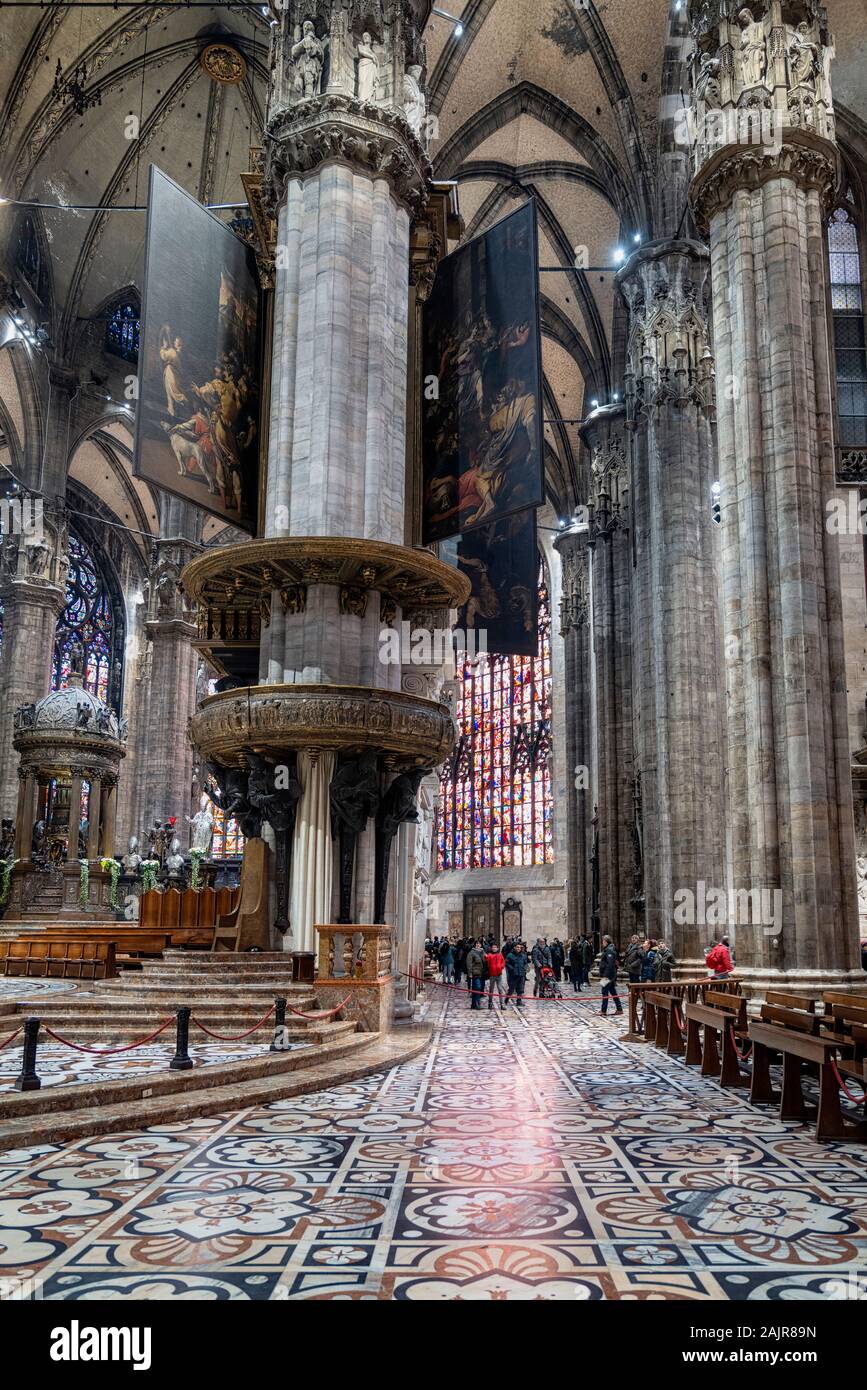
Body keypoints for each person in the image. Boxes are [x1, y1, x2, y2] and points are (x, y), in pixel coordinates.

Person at [598, 934, 623, 1016]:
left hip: (608, 975)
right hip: (608, 975)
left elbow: (610, 964)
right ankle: (619, 1009)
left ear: (606, 941)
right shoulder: (607, 949)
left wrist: (605, 975)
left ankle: (603, 1010)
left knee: (604, 991)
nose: (602, 943)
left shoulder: (610, 950)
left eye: (603, 941)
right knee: (613, 991)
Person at [505, 940, 529, 1008]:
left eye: (519, 947)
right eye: (517, 947)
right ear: (514, 948)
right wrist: (511, 969)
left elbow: (525, 963)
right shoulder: (510, 955)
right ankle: (506, 999)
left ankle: (519, 1001)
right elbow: (507, 963)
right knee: (511, 989)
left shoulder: (523, 955)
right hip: (513, 975)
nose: (518, 948)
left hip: (521, 974)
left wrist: (525, 968)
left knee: (520, 988)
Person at [485, 944, 507, 1011]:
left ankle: (502, 1004)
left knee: (500, 989)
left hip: (499, 974)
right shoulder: (489, 955)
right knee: (491, 989)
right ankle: (490, 1002)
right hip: (492, 974)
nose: (494, 948)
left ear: (497, 948)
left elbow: (503, 962)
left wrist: (501, 967)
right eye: (493, 947)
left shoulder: (500, 954)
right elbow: (487, 959)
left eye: (495, 947)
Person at [465, 939, 486, 1010]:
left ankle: (473, 1004)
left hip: (482, 973)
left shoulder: (483, 952)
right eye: (477, 944)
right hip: (475, 973)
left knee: (475, 988)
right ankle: (477, 1004)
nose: (478, 945)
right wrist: (469, 973)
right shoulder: (471, 953)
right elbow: (469, 964)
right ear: (474, 945)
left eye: (479, 944)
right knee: (477, 988)